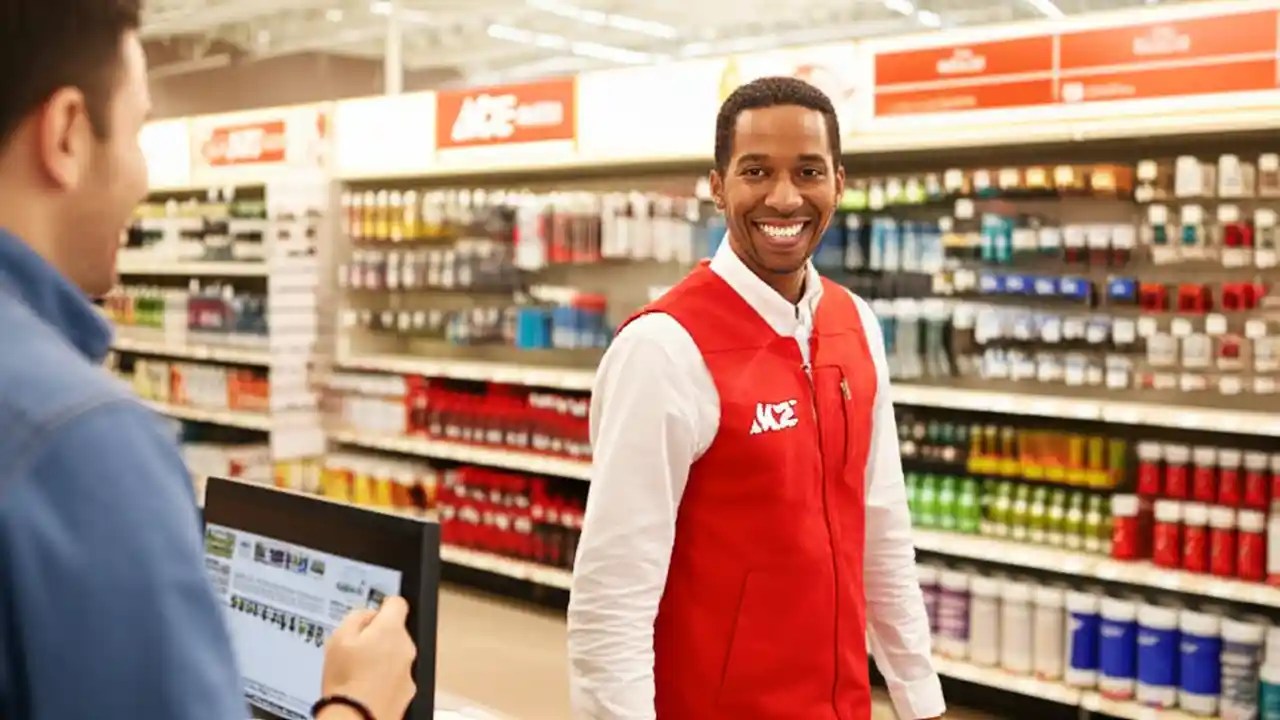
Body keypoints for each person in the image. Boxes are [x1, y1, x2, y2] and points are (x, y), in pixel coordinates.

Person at [0, 2, 416, 719]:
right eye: (138, 131)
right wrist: (357, 705)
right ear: (67, 133)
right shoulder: (82, 443)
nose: (143, 180)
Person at [568, 76, 945, 720]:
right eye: (756, 171)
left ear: (838, 183)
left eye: (808, 171)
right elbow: (612, 603)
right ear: (717, 187)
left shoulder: (857, 328)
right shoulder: (664, 349)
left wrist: (920, 699)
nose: (784, 197)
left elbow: (882, 534)